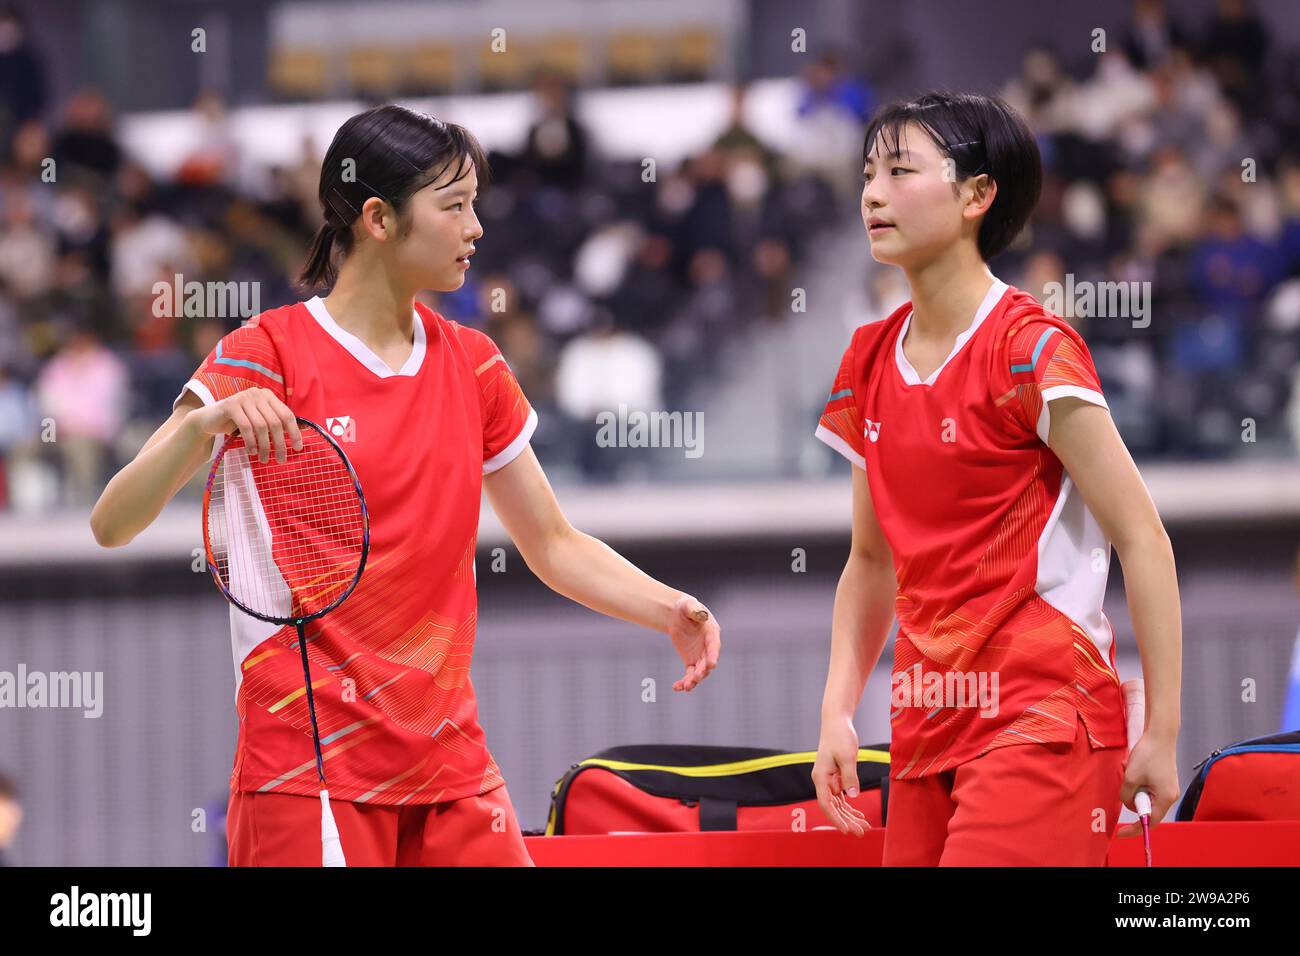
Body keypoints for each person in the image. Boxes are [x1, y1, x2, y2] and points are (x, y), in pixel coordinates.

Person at [89, 105, 721, 867]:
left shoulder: (475, 365)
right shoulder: (269, 353)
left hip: (451, 768)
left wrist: (668, 609)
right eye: (454, 206)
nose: (476, 227)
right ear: (379, 219)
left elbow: (551, 542)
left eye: (475, 204)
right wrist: (199, 426)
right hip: (311, 774)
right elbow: (112, 523)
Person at [810, 91, 1182, 866]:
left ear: (979, 194)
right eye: (868, 173)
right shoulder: (867, 360)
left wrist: (1164, 732)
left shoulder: (1032, 352)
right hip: (924, 722)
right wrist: (837, 712)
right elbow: (872, 562)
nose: (872, 193)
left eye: (900, 171)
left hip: (1041, 713)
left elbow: (1142, 536)